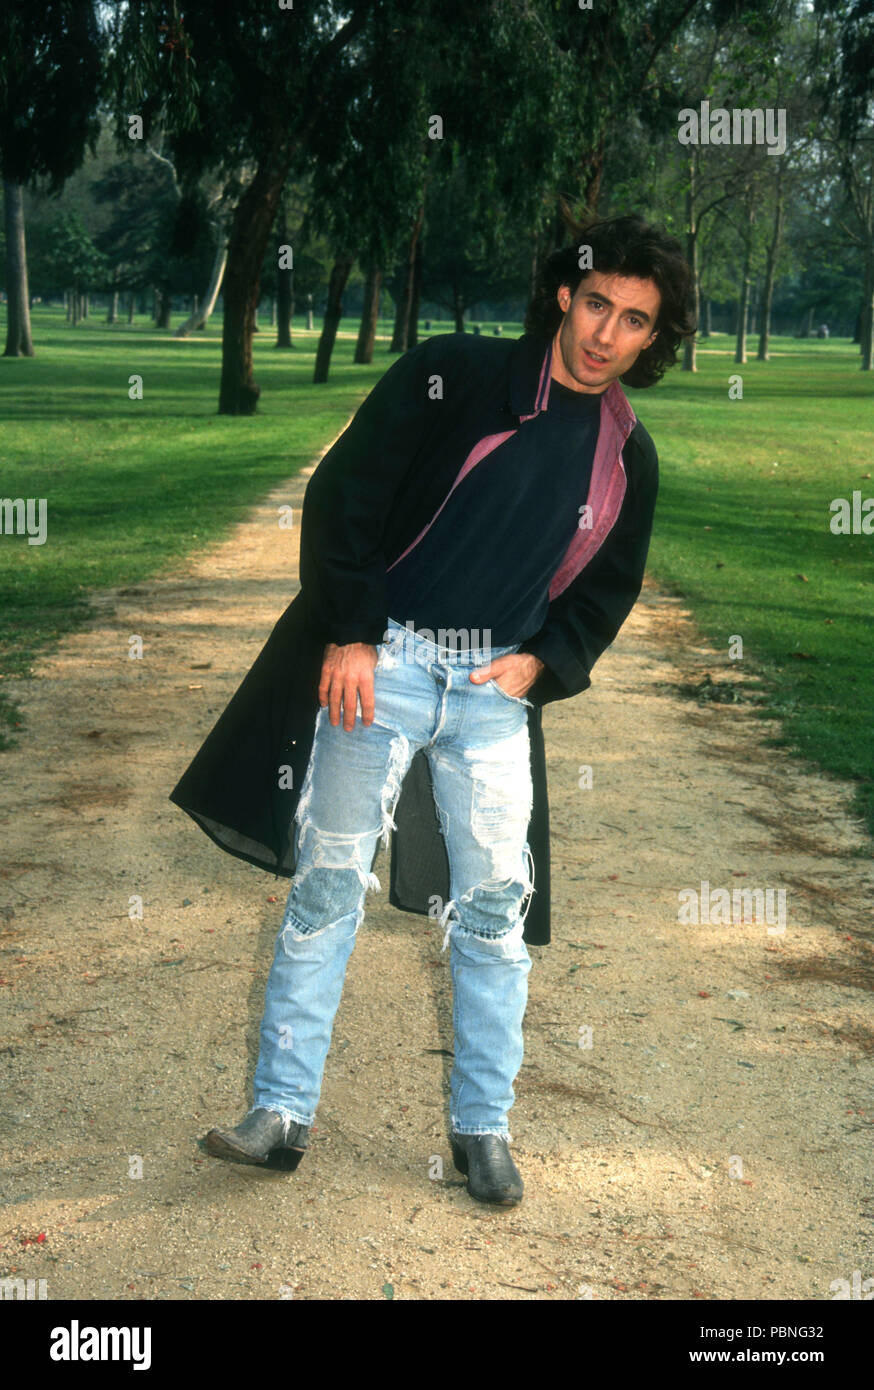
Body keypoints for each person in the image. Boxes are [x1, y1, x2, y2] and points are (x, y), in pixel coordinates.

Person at [181, 214, 695, 1205]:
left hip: (493, 692)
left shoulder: (626, 454)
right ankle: (278, 1114)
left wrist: (543, 665)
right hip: (386, 667)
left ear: (651, 337)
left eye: (632, 321)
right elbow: (346, 495)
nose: (603, 334)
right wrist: (351, 632)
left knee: (496, 908)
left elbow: (603, 595)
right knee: (329, 883)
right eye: (595, 304)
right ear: (563, 294)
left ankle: (482, 1129)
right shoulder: (452, 375)